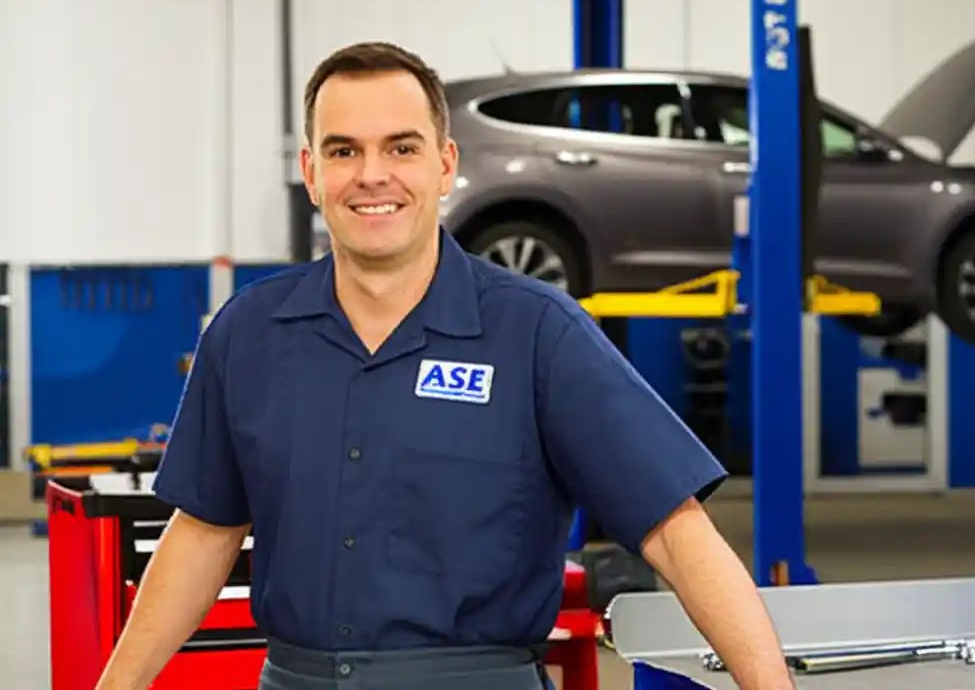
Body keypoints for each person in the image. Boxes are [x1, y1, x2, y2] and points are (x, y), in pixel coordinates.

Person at [94, 41, 795, 690]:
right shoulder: (249, 334)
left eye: (401, 147)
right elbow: (204, 532)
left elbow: (675, 532)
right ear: (310, 173)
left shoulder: (536, 334)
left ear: (445, 163)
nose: (372, 175)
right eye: (343, 151)